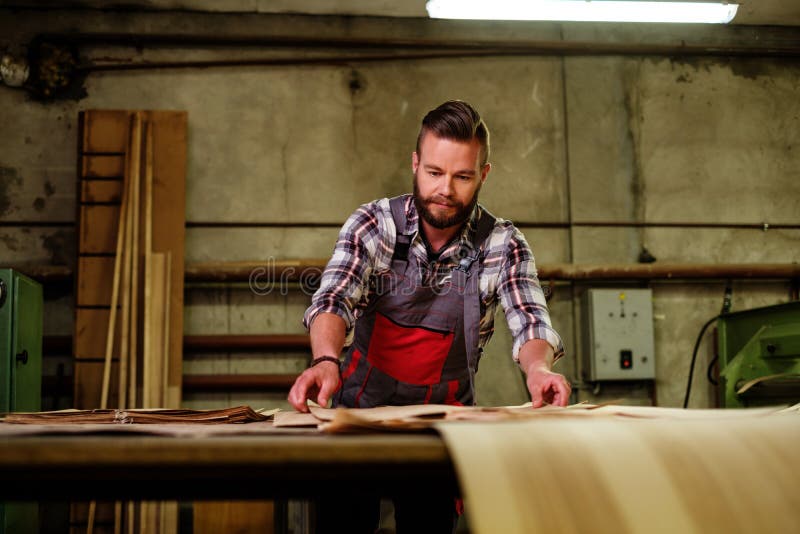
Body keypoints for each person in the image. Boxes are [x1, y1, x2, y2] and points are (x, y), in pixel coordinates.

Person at [288, 100, 570, 532]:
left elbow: (529, 317)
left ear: (484, 174)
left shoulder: (503, 244)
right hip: (358, 418)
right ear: (415, 163)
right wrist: (326, 359)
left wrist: (538, 371)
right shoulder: (373, 225)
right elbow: (335, 296)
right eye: (435, 173)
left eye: (463, 176)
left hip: (443, 428)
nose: (446, 190)